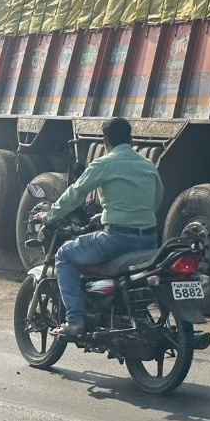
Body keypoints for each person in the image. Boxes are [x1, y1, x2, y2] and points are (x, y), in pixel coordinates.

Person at [39, 117, 164, 337]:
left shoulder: (104, 163)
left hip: (117, 239)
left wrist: (49, 216)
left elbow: (75, 193)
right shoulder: (148, 165)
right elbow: (155, 200)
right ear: (131, 139)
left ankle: (74, 321)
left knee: (64, 256)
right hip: (149, 240)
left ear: (105, 141)